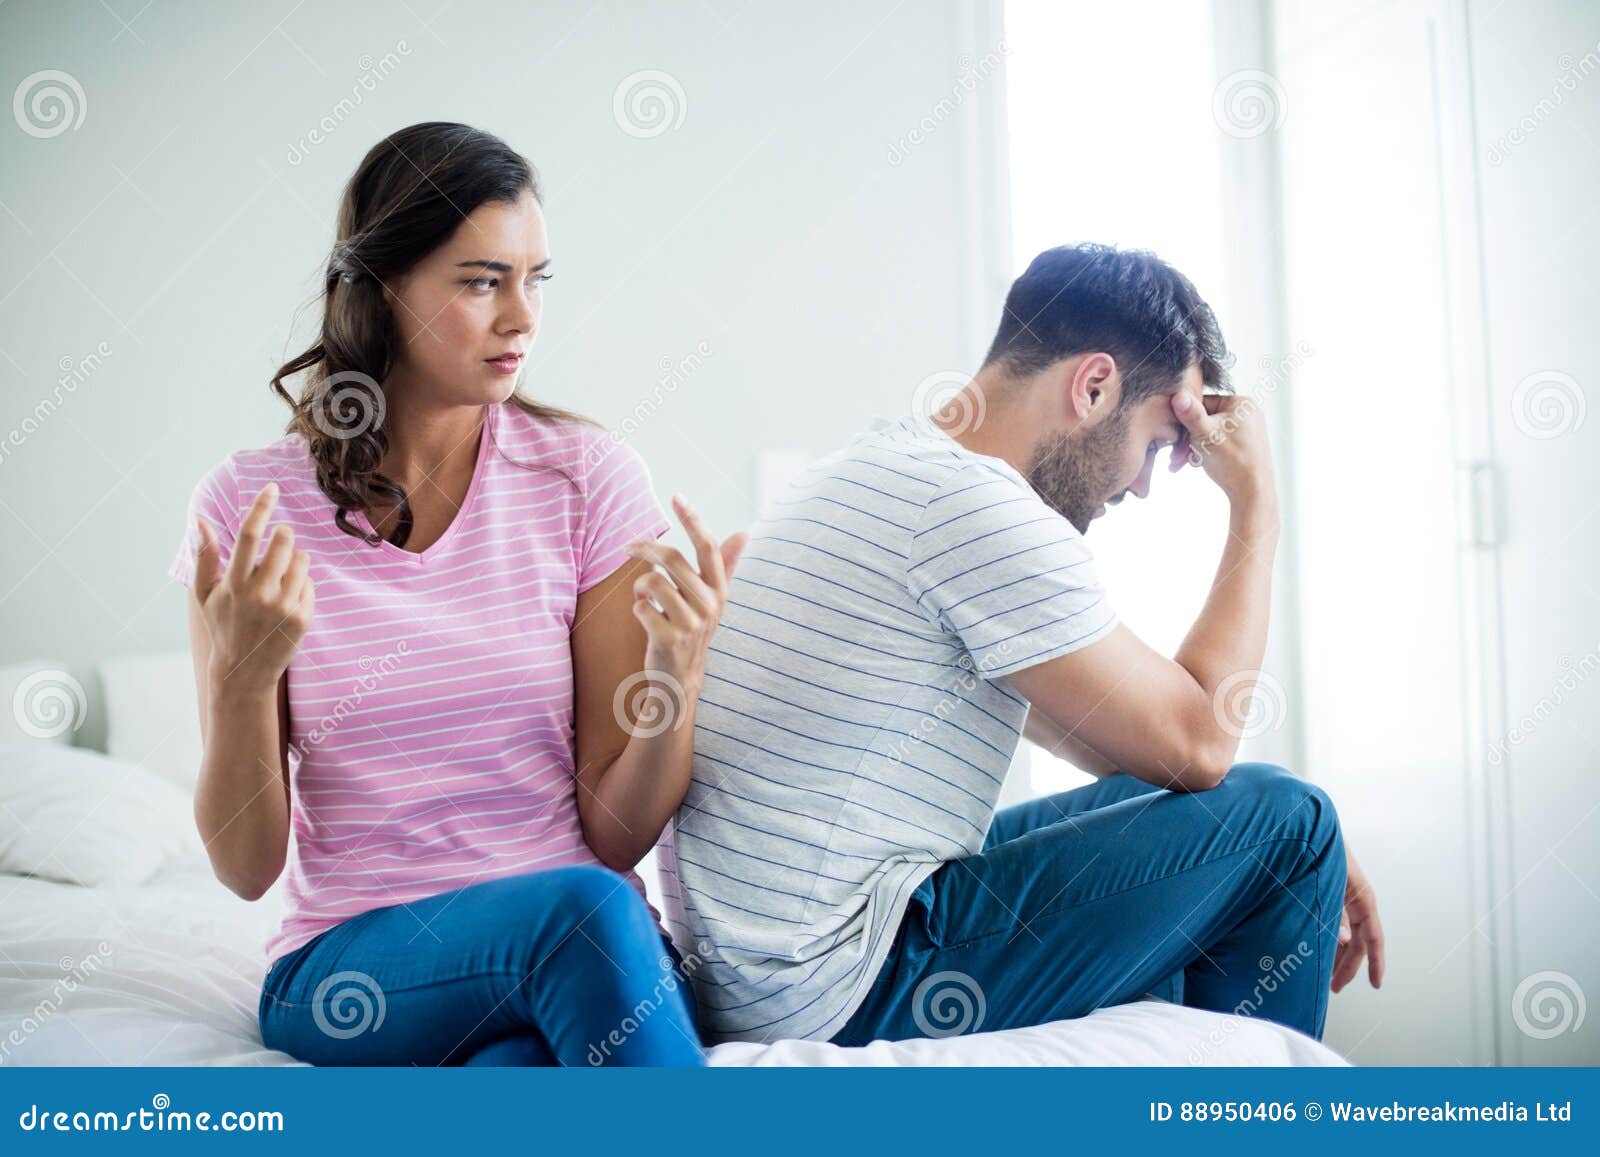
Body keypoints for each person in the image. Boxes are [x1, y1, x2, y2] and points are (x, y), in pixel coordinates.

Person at [658, 242, 1385, 1047]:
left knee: (1245, 808)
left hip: (762, 971)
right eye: (1154, 444)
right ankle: (1254, 1101)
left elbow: (1145, 759)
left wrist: (1247, 834)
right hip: (834, 983)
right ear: (1094, 385)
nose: (1142, 485)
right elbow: (1201, 744)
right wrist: (1257, 504)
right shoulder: (976, 507)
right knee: (1294, 824)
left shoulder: (876, 466)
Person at [169, 122, 744, 1066]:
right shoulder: (249, 507)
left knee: (524, 1065)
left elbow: (615, 835)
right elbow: (244, 868)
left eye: (535, 279)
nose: (523, 317)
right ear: (383, 288)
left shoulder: (586, 479)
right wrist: (244, 681)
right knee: (585, 914)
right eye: (482, 282)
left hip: (578, 948)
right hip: (355, 970)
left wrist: (675, 676)